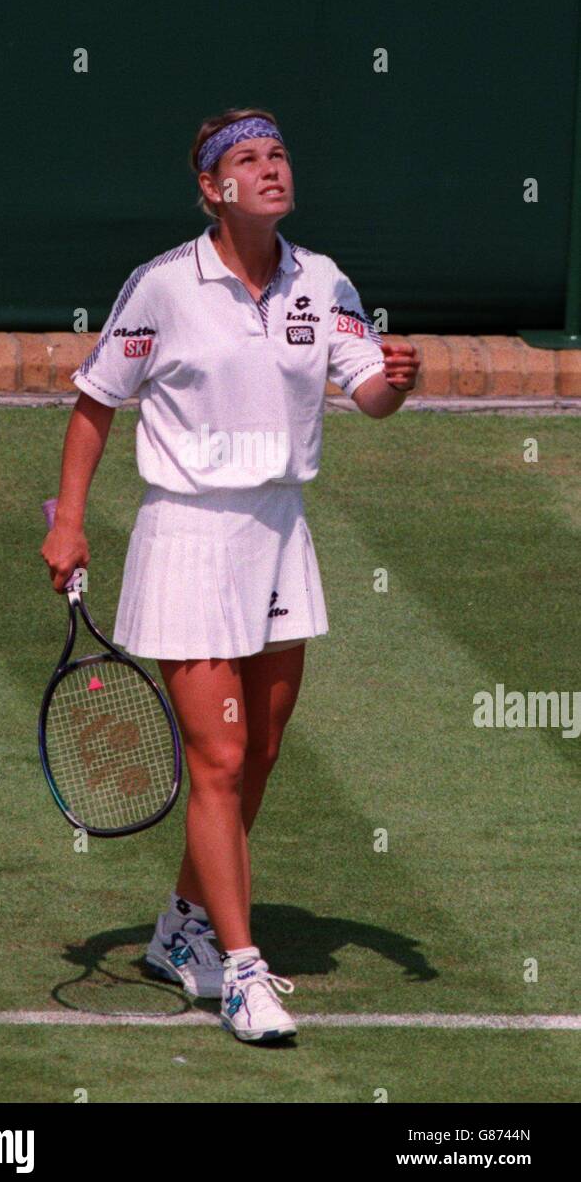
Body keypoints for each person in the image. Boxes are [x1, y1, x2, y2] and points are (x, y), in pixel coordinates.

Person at [41, 107, 420, 1043]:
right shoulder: (164, 288)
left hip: (279, 535)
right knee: (215, 756)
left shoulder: (322, 280)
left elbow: (367, 390)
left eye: (279, 153)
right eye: (247, 160)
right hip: (188, 540)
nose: (271, 169)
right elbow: (95, 403)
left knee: (260, 754)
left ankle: (181, 929)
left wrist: (397, 382)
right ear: (213, 188)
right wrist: (70, 521)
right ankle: (242, 974)